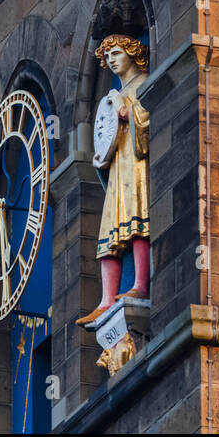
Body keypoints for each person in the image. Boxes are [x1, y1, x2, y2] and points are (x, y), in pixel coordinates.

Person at [76, 34, 150, 326]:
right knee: (110, 227)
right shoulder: (113, 94)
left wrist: (128, 111)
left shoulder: (143, 83)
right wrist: (101, 159)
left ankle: (141, 283)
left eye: (118, 53)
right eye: (108, 57)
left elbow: (147, 120)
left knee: (136, 219)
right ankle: (107, 298)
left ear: (132, 53)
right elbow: (106, 134)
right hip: (119, 164)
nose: (112, 60)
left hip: (135, 164)